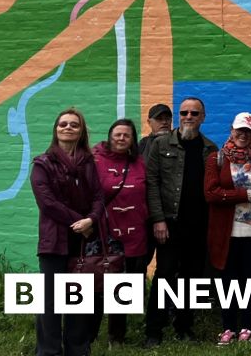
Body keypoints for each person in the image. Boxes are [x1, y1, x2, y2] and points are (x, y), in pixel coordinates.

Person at [144, 97, 217, 347]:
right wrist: (158, 219)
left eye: (194, 113)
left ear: (203, 117)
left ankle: (184, 326)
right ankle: (154, 330)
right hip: (169, 223)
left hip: (198, 224)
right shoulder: (161, 143)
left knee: (192, 276)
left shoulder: (210, 148)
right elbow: (151, 183)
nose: (188, 117)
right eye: (184, 112)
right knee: (164, 274)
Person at [30, 108, 103, 356]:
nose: (68, 128)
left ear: (81, 131)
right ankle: (49, 351)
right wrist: (80, 221)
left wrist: (92, 219)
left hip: (82, 242)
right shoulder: (43, 163)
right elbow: (48, 203)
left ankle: (77, 349)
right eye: (63, 124)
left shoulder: (89, 163)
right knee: (50, 301)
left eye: (74, 124)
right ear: (56, 129)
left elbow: (98, 196)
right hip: (54, 241)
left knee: (77, 298)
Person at [204, 112, 251, 345]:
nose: (243, 135)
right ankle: (228, 327)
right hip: (226, 232)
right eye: (240, 130)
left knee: (250, 280)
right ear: (231, 130)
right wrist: (247, 195)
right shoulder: (217, 159)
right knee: (228, 281)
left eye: (248, 132)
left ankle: (248, 326)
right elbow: (211, 193)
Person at [91, 118, 148, 347]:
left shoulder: (140, 162)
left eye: (127, 135)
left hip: (134, 233)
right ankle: (88, 334)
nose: (122, 138)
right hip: (103, 232)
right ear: (110, 136)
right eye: (118, 134)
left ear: (133, 139)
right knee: (96, 284)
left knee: (124, 286)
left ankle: (117, 336)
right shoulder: (95, 160)